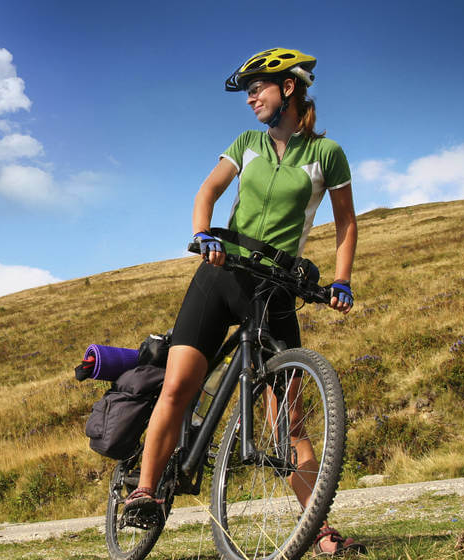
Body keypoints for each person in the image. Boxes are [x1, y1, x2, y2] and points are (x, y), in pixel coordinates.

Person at [123, 48, 365, 556]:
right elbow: (208, 191)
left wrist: (341, 281)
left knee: (289, 421)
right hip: (221, 274)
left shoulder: (327, 154)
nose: (252, 96)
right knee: (179, 384)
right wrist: (202, 234)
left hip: (276, 289)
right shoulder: (247, 143)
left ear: (290, 89)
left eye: (261, 85)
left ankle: (316, 525)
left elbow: (346, 223)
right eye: (249, 88)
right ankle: (144, 490)